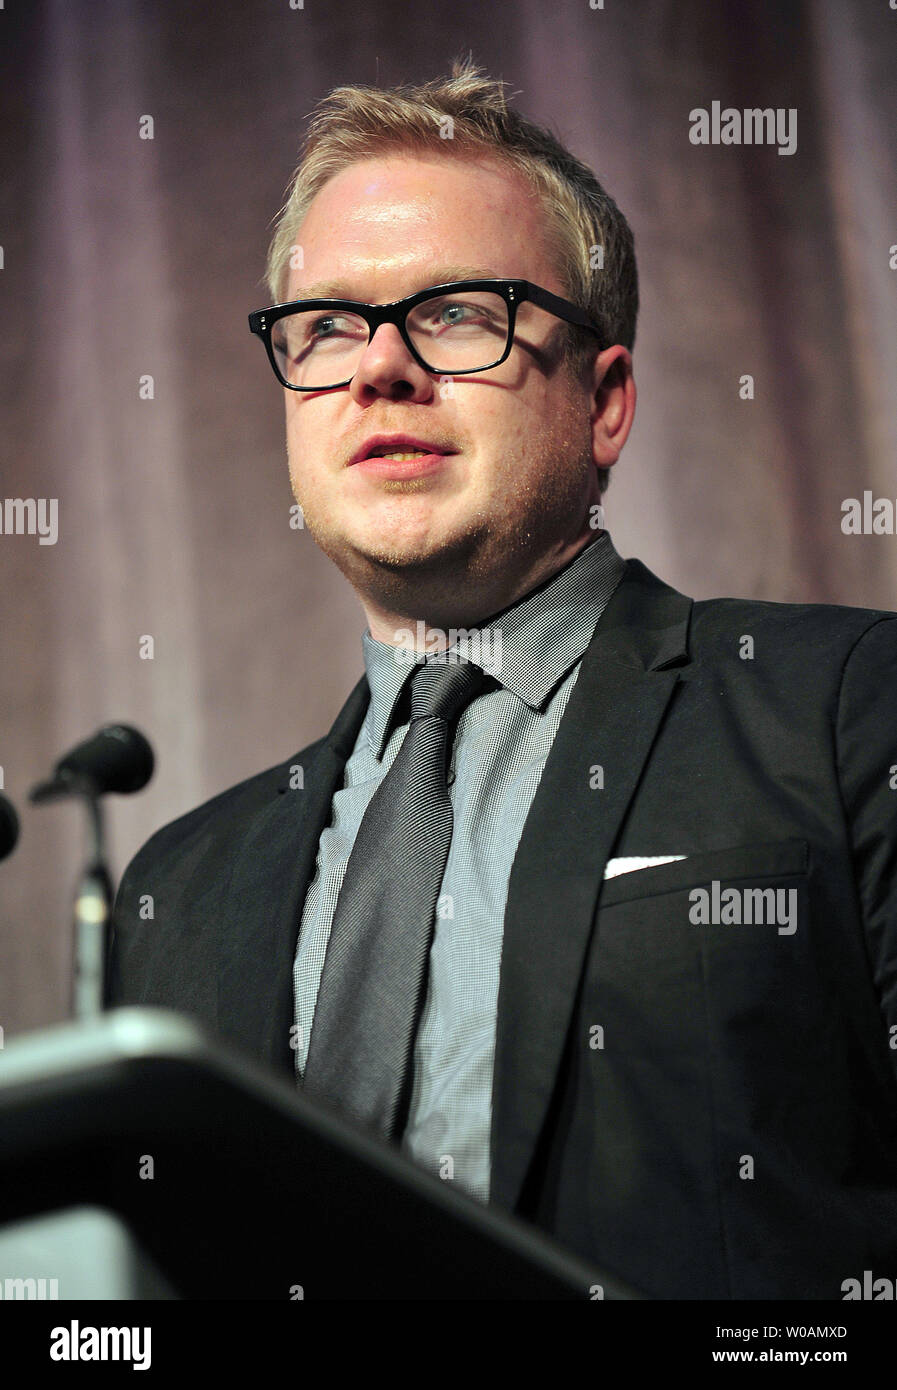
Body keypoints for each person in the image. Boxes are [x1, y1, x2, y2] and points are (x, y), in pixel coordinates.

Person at [107, 57, 897, 1300]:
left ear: (607, 399)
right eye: (325, 328)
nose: (378, 369)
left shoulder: (848, 708)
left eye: (458, 312)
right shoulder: (176, 891)